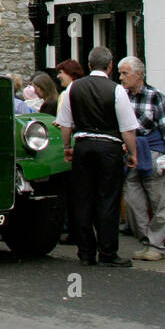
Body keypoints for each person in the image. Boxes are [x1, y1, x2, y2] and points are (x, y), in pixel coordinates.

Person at [55, 46, 139, 267]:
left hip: (83, 145)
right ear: (110, 66)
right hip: (109, 148)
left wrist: (67, 147)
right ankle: (108, 252)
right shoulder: (116, 90)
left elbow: (65, 124)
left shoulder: (74, 88)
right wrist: (132, 153)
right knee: (108, 199)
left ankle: (86, 252)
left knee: (83, 199)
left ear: (89, 65)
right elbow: (128, 128)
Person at [118, 56, 165, 262]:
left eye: (125, 73)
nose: (121, 78)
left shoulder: (156, 97)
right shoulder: (122, 97)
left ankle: (156, 246)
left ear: (139, 74)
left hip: (154, 154)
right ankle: (146, 241)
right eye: (120, 73)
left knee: (159, 202)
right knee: (132, 201)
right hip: (131, 155)